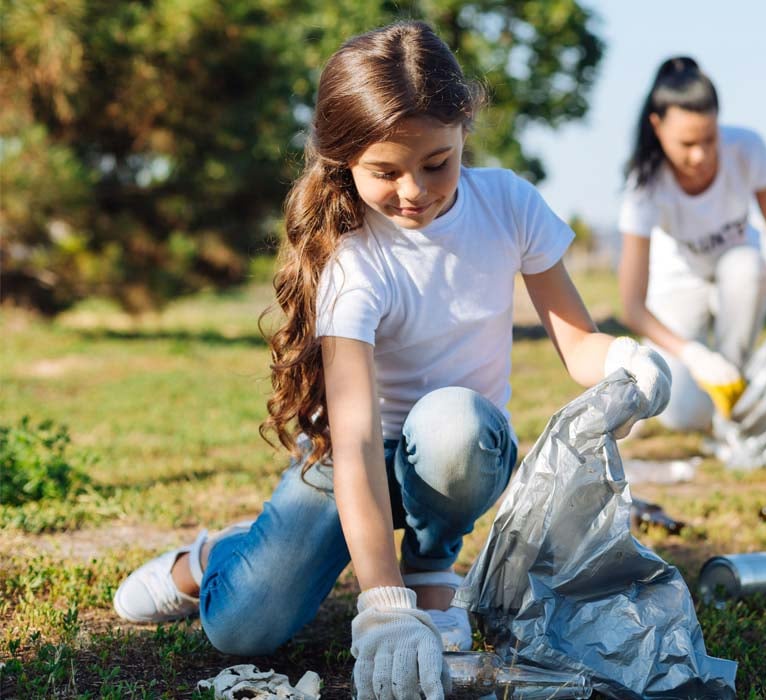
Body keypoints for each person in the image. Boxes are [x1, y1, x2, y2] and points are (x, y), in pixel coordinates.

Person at [111, 21, 670, 700]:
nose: (415, 190)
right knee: (243, 630)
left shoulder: (510, 206)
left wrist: (627, 358)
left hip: (458, 453)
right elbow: (353, 442)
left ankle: (432, 564)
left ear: (464, 128)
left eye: (437, 162)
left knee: (453, 423)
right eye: (385, 172)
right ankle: (214, 558)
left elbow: (577, 342)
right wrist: (379, 606)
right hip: (353, 461)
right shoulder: (354, 262)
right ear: (344, 160)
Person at [616, 56, 766, 431]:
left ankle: (737, 395)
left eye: (709, 139)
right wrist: (695, 356)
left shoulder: (746, 149)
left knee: (747, 268)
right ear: (657, 126)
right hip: (680, 285)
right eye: (686, 143)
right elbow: (632, 306)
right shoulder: (645, 187)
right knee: (685, 414)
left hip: (739, 276)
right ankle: (717, 390)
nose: (699, 156)